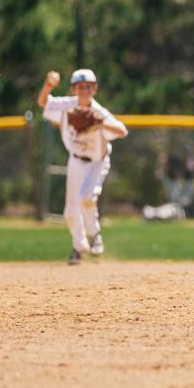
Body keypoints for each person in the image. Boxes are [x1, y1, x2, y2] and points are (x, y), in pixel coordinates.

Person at [38, 69, 128, 265]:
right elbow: (43, 102)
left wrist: (99, 123)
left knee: (87, 198)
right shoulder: (67, 105)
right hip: (76, 160)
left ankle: (94, 235)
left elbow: (122, 130)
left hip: (97, 161)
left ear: (94, 89)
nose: (84, 90)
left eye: (88, 86)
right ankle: (79, 247)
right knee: (70, 211)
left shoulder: (98, 112)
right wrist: (48, 86)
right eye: (80, 87)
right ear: (73, 89)